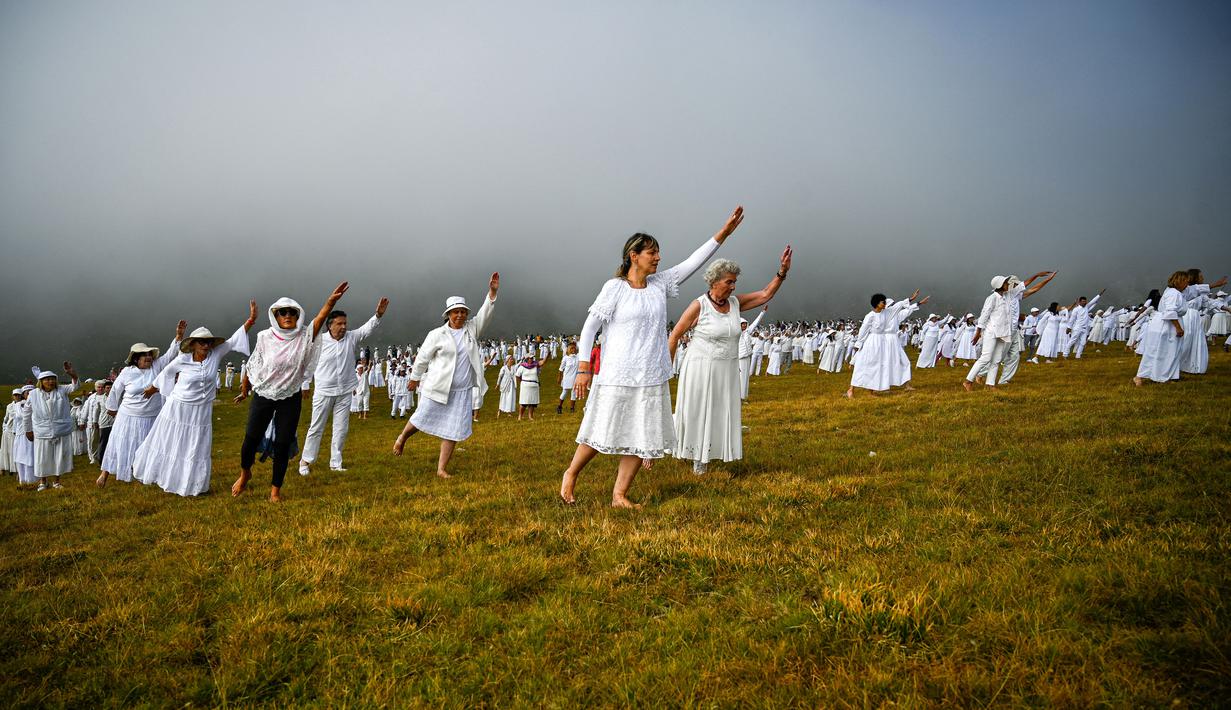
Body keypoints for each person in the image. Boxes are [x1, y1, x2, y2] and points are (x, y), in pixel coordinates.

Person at [560, 206, 746, 508]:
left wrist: (722, 234)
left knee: (641, 433)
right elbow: (589, 327)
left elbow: (693, 263)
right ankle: (571, 473)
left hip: (652, 373)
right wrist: (583, 367)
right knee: (600, 427)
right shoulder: (615, 288)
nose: (658, 258)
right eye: (652, 253)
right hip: (618, 372)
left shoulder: (660, 284)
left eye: (658, 253)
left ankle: (619, 495)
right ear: (634, 256)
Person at [668, 247, 791, 474]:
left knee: (718, 411)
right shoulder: (699, 305)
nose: (733, 286)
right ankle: (697, 460)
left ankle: (713, 451)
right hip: (700, 368)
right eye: (729, 282)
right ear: (714, 281)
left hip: (726, 369)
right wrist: (666, 370)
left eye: (735, 282)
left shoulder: (735, 303)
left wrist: (782, 272)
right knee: (698, 410)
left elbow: (765, 294)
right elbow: (674, 335)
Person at [234, 283, 349, 502]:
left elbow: (320, 319)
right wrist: (245, 389)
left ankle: (275, 491)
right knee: (250, 439)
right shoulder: (264, 337)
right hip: (264, 394)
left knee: (282, 443)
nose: (287, 316)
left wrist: (331, 302)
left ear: (298, 315)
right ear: (275, 316)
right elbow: (253, 364)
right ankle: (245, 473)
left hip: (290, 396)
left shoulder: (304, 336)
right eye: (282, 312)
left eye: (292, 312)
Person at [134, 305, 256, 496]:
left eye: (207, 342)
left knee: (196, 445)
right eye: (201, 342)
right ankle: (168, 477)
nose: (205, 345)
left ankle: (192, 484)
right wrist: (154, 388)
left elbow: (233, 341)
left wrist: (250, 320)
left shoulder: (215, 354)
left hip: (201, 410)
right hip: (179, 407)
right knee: (173, 442)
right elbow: (166, 372)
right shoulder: (183, 359)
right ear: (193, 344)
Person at [393, 273, 501, 478]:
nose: (460, 315)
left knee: (453, 429)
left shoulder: (472, 329)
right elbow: (423, 358)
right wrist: (414, 378)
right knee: (421, 417)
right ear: (448, 315)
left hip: (462, 389)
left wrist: (492, 293)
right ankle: (402, 437)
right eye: (455, 312)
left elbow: (485, 313)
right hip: (438, 386)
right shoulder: (437, 334)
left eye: (462, 312)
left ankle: (441, 469)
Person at [300, 299, 386, 475]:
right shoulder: (319, 341)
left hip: (345, 391)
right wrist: (305, 384)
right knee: (316, 427)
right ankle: (305, 462)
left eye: (345, 323)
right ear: (330, 325)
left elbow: (366, 329)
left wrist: (378, 315)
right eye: (339, 323)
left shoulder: (351, 338)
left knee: (341, 428)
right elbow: (307, 363)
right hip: (324, 391)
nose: (344, 327)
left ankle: (336, 463)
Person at [97, 324, 186, 486]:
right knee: (119, 444)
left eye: (149, 354)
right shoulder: (127, 372)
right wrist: (113, 410)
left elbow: (170, 355)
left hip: (151, 417)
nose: (149, 357)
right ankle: (104, 474)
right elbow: (116, 391)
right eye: (144, 355)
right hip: (128, 416)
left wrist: (179, 336)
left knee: (150, 446)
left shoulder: (157, 366)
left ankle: (148, 474)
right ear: (136, 358)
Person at [845, 290, 927, 399]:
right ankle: (851, 390)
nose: (885, 304)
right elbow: (863, 330)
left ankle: (871, 392)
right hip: (872, 342)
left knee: (877, 366)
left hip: (881, 342)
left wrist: (911, 299)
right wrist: (858, 344)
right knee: (864, 364)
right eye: (883, 302)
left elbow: (899, 305)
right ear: (877, 304)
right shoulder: (870, 316)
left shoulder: (887, 312)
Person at [28, 364, 81, 490]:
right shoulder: (33, 394)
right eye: (47, 379)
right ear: (41, 382)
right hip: (42, 430)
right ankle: (43, 482)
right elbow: (26, 413)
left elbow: (75, 386)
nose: (50, 381)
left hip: (60, 429)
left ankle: (56, 481)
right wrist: (28, 429)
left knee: (59, 456)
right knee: (42, 457)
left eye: (52, 379)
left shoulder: (62, 390)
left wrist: (72, 374)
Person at [1135, 271, 1191, 385]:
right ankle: (1140, 376)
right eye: (1185, 281)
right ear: (1179, 281)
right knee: (1159, 350)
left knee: (1168, 351)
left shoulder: (1172, 292)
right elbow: (1170, 311)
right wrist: (1178, 327)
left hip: (1167, 324)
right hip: (1167, 325)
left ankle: (1163, 376)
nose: (1187, 284)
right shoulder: (1173, 293)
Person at [737, 306, 768, 399]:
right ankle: (739, 397)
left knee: (746, 378)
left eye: (745, 324)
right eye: (742, 324)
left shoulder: (747, 332)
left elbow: (755, 323)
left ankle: (744, 396)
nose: (744, 326)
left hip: (747, 357)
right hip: (740, 359)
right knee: (740, 378)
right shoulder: (735, 334)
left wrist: (762, 312)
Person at [2, 389, 22, 474]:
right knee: (7, 450)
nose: (16, 396)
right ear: (12, 396)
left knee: (15, 450)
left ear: (21, 395)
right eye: (15, 395)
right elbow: (6, 418)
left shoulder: (23, 405)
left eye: (18, 395)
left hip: (17, 431)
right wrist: (4, 427)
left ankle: (16, 469)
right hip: (9, 430)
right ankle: (8, 468)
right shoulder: (9, 406)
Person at [556, 343, 580, 414]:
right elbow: (560, 369)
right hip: (567, 378)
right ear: (568, 350)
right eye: (571, 348)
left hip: (575, 378)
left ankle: (572, 408)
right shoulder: (565, 358)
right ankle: (559, 407)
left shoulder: (578, 357)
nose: (573, 350)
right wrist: (559, 378)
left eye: (574, 348)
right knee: (565, 392)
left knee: (574, 393)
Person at [516, 355, 541, 420]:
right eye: (530, 358)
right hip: (525, 386)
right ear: (527, 359)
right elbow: (517, 375)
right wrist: (521, 382)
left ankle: (530, 416)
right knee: (524, 402)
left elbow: (543, 362)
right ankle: (520, 416)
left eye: (532, 358)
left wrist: (547, 356)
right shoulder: (522, 366)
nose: (532, 359)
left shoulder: (535, 366)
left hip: (534, 385)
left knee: (532, 402)